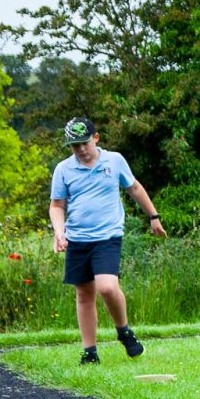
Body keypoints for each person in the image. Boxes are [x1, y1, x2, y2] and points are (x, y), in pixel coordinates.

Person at [49, 117, 166, 365]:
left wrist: (153, 216)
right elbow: (57, 205)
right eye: (74, 145)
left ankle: (123, 330)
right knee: (84, 294)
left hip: (107, 236)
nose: (80, 149)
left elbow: (134, 188)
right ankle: (90, 352)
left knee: (107, 287)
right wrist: (59, 232)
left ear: (96, 138)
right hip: (77, 239)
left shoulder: (114, 161)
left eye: (84, 143)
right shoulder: (64, 169)